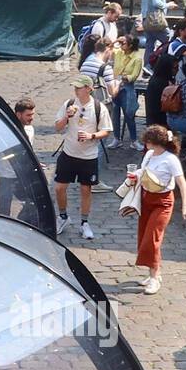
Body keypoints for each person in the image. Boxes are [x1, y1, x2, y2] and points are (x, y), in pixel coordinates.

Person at [132, 124, 186, 295]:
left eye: (147, 141)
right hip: (146, 199)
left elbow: (182, 184)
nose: (145, 144)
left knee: (152, 237)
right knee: (144, 235)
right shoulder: (150, 155)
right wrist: (134, 176)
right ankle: (154, 272)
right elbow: (143, 172)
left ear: (154, 142)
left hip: (162, 202)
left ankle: (154, 276)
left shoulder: (171, 159)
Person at [53, 74, 112, 240]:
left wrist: (91, 136)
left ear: (88, 89)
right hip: (69, 153)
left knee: (86, 190)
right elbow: (57, 127)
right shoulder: (69, 104)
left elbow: (106, 130)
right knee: (59, 188)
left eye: (79, 87)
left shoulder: (99, 107)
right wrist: (66, 117)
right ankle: (63, 217)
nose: (76, 90)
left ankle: (84, 223)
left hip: (88, 157)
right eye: (75, 87)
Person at [0, 98, 36, 216]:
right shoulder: (6, 131)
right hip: (5, 176)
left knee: (31, 203)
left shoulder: (30, 129)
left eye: (32, 114)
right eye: (28, 115)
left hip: (22, 176)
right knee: (4, 208)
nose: (31, 118)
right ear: (18, 114)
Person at [111, 34, 143, 147]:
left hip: (126, 88)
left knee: (129, 114)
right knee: (115, 113)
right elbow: (109, 48)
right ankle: (116, 138)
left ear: (131, 45)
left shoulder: (137, 58)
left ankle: (134, 140)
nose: (120, 45)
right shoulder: (119, 53)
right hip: (115, 86)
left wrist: (123, 77)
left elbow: (133, 76)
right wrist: (116, 40)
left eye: (123, 43)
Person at [144, 49, 178, 129]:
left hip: (158, 121)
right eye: (175, 68)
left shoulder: (159, 79)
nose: (177, 70)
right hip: (159, 123)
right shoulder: (160, 83)